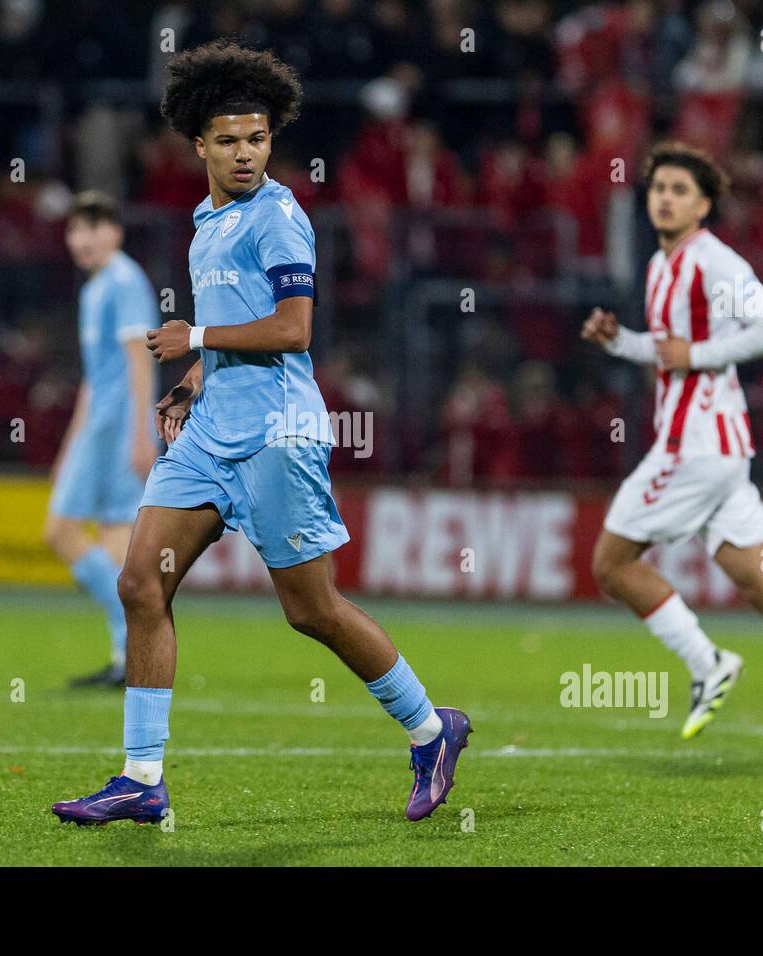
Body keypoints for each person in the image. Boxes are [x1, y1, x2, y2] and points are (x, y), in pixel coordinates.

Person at [52, 40, 470, 826]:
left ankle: (429, 727)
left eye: (258, 138)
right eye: (230, 140)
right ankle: (142, 778)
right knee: (141, 582)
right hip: (213, 435)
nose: (246, 153)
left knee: (312, 610)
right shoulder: (207, 222)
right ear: (199, 145)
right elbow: (232, 328)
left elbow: (292, 327)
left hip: (279, 434)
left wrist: (197, 339)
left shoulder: (280, 218)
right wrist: (192, 381)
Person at [583, 141, 763, 761]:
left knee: (611, 563)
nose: (665, 197)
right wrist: (620, 343)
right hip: (720, 447)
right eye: (659, 187)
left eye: (680, 190)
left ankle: (707, 661)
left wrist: (700, 355)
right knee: (756, 577)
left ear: (705, 204)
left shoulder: (712, 261)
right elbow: (669, 353)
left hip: (697, 445)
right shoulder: (662, 264)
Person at [44, 192, 159, 688]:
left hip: (119, 429)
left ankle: (137, 636)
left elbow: (141, 359)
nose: (82, 239)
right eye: (75, 229)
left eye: (93, 227)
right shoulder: (94, 290)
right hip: (98, 428)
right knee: (110, 545)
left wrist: (142, 434)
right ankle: (126, 657)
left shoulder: (125, 280)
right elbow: (94, 378)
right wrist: (70, 444)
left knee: (61, 531)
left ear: (115, 232)